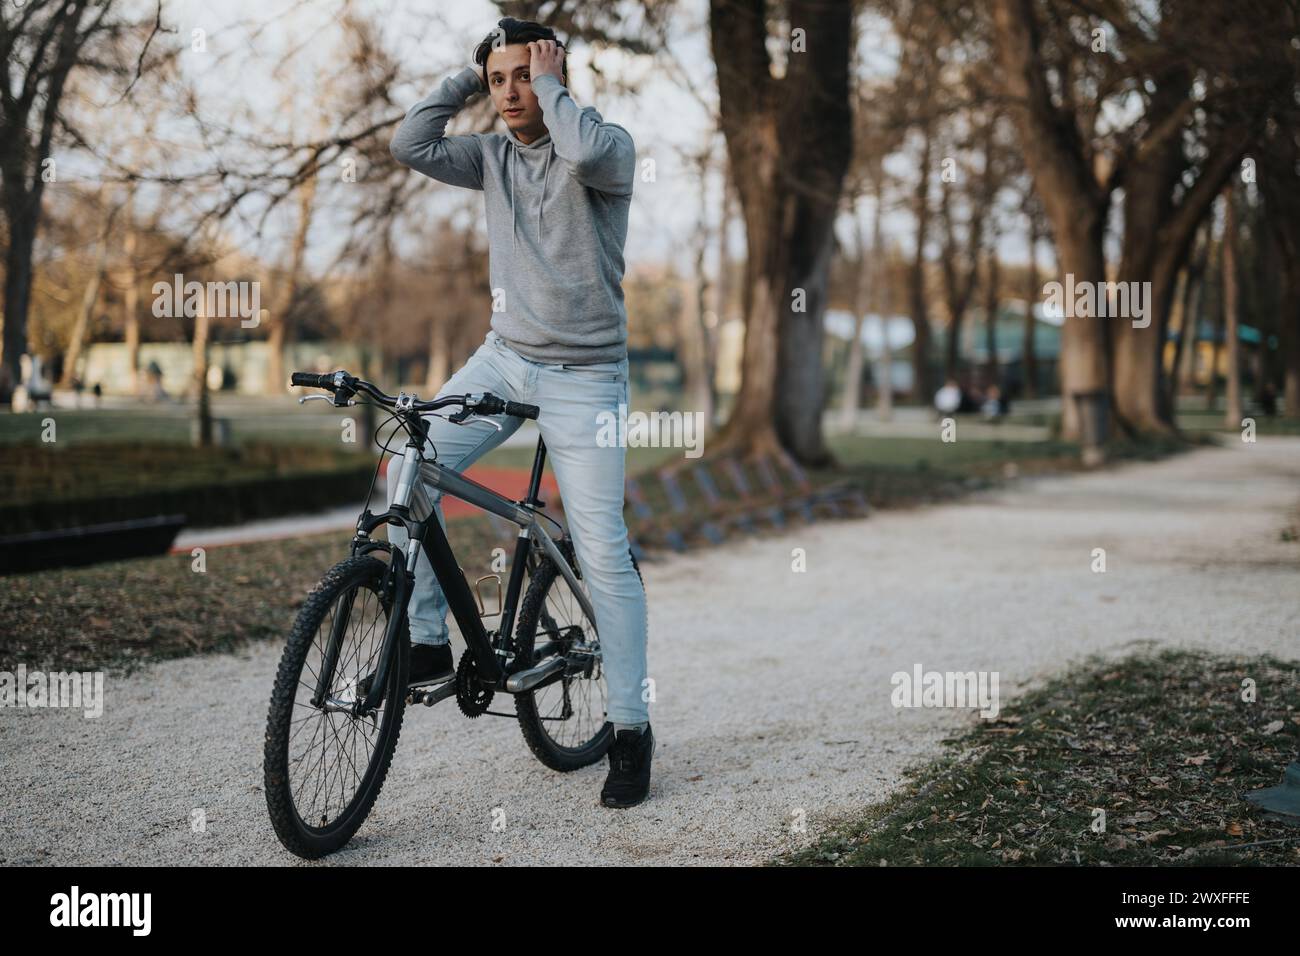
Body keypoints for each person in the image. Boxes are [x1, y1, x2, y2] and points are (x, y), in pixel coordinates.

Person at [388, 17, 653, 808]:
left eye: (521, 78)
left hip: (586, 374)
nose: (511, 94)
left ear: (554, 75)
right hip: (505, 357)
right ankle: (428, 640)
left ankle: (633, 733)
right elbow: (411, 142)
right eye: (497, 81)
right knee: (409, 463)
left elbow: (590, 153)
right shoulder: (490, 155)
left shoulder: (604, 145)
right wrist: (469, 78)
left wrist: (552, 84)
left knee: (603, 548)